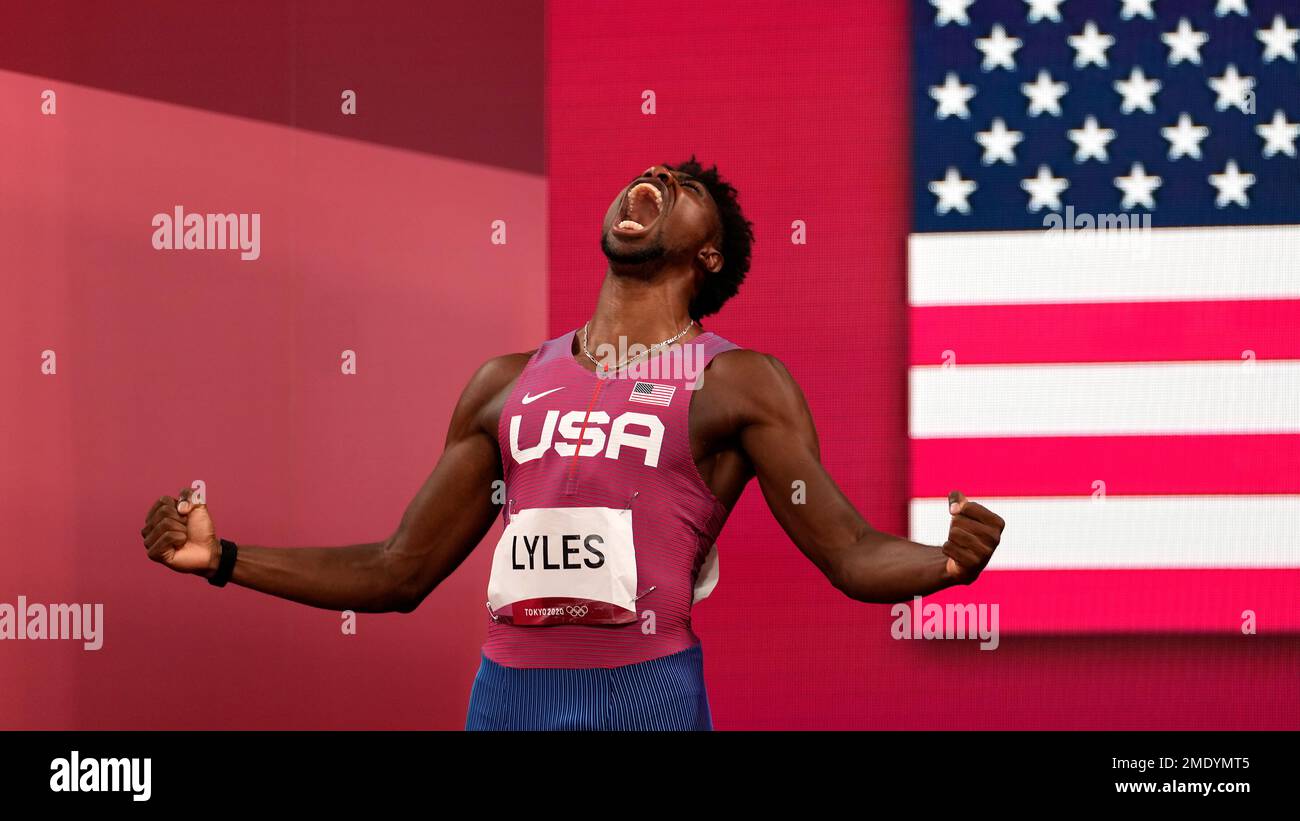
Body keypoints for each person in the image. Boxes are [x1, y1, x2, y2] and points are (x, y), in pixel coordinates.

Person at [140, 156, 1005, 730]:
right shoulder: (503, 383)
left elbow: (850, 551)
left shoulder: (738, 383)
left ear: (707, 255)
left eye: (684, 185)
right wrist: (224, 557)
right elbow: (399, 571)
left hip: (648, 695)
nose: (658, 176)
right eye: (651, 172)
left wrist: (943, 563)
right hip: (507, 698)